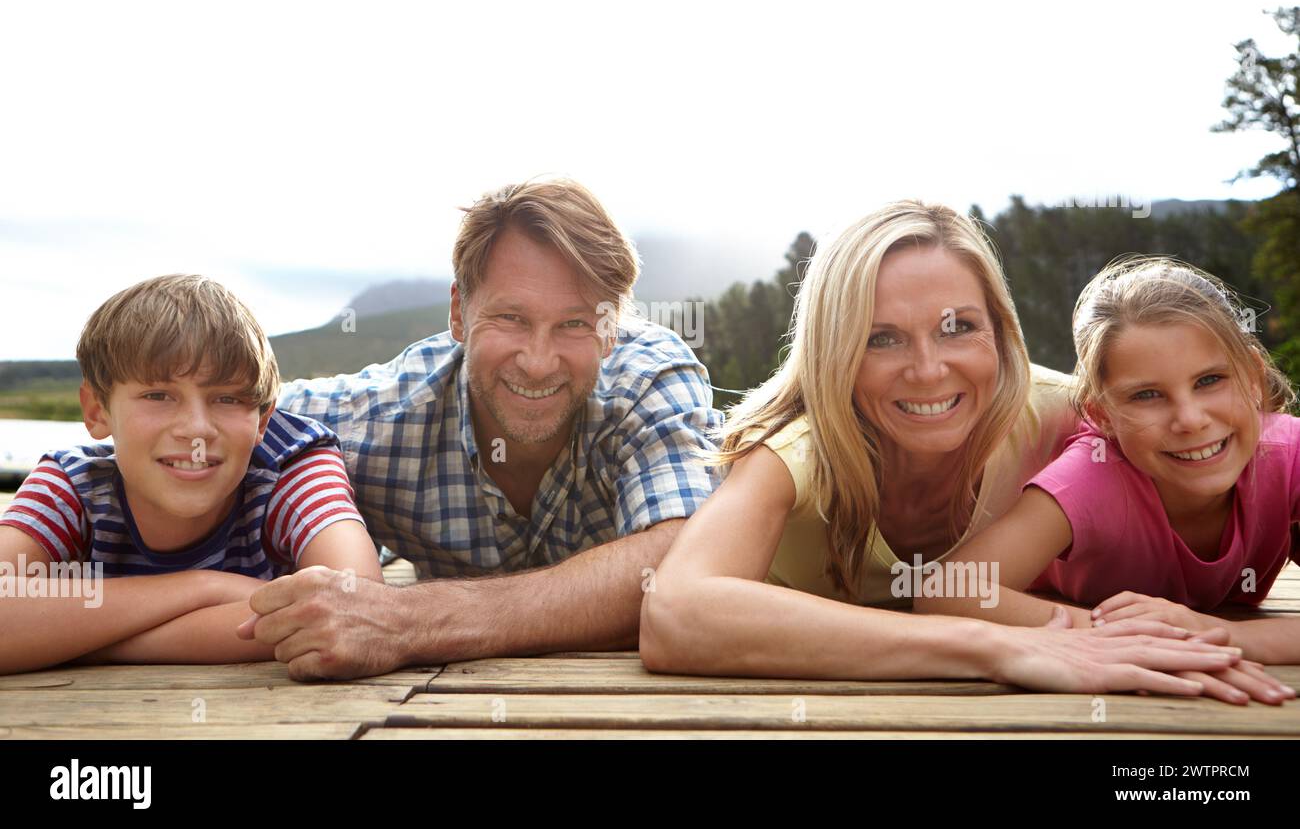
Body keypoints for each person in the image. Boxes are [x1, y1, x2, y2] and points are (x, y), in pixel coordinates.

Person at [640, 202, 1291, 704]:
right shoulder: (796, 453)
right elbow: (676, 614)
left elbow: (1209, 447)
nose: (928, 370)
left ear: (1002, 333)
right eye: (882, 338)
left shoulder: (1069, 415)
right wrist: (999, 645)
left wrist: (1200, 634)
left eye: (958, 328)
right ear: (832, 353)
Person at [239, 178, 721, 679]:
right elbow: (224, 415)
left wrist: (405, 621)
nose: (538, 362)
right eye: (510, 317)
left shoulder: (650, 379)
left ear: (611, 330)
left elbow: (684, 556)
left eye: (574, 324)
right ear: (458, 314)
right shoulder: (376, 421)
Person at [914, 257, 1300, 678]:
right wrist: (1135, 635)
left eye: (1209, 381)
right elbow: (948, 591)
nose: (1190, 419)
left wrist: (1220, 634)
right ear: (1102, 415)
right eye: (1147, 395)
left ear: (1252, 377)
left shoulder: (1288, 455)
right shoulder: (1093, 477)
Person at [0, 274, 381, 674]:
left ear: (263, 419)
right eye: (158, 395)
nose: (196, 428)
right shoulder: (73, 484)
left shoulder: (290, 464)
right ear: (97, 411)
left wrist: (72, 638)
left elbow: (354, 608)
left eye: (228, 398)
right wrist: (202, 586)